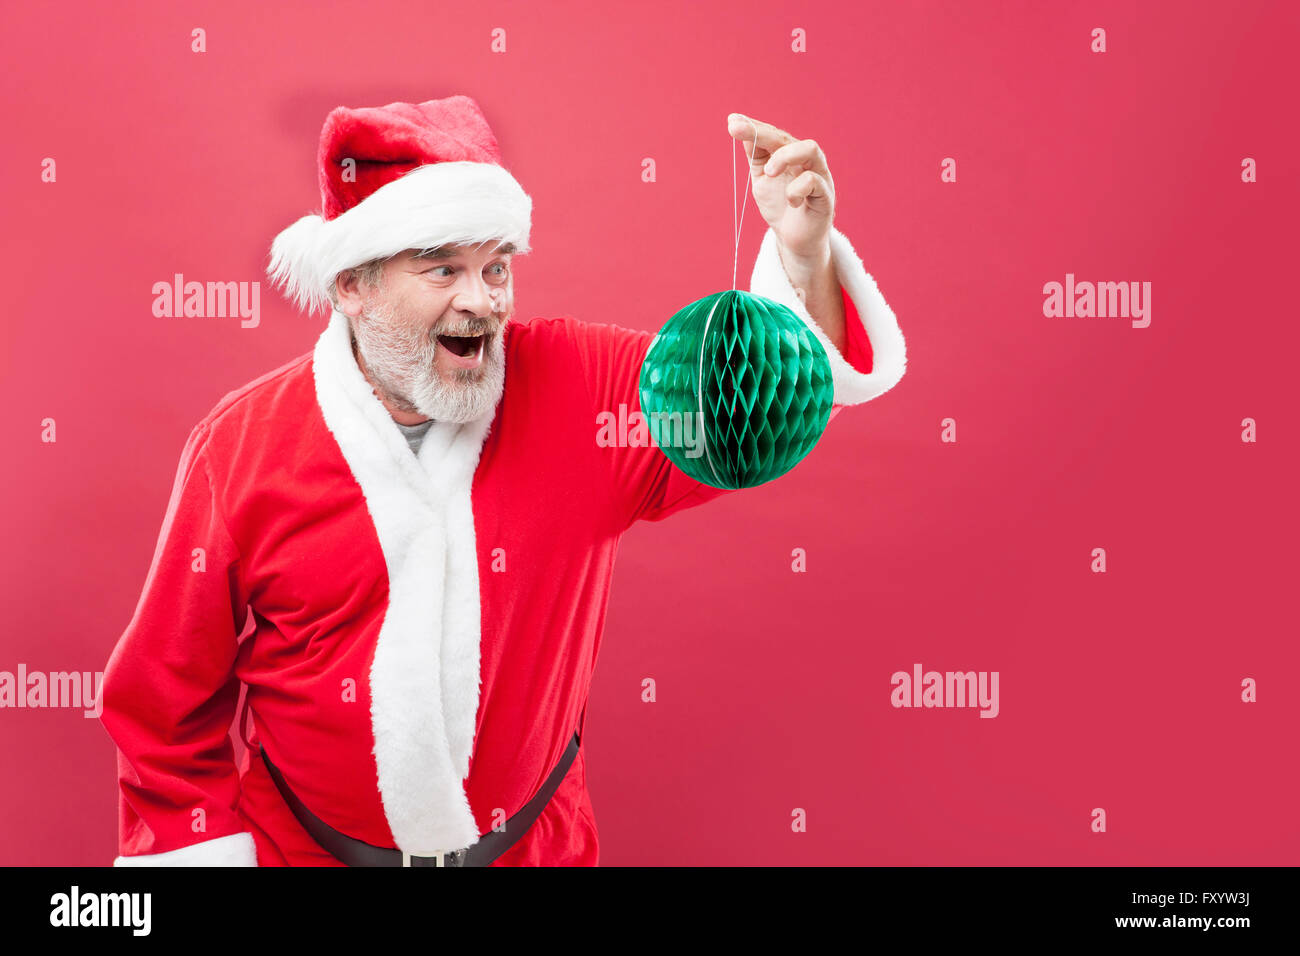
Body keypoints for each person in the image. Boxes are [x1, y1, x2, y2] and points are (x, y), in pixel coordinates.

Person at [99, 95, 907, 866]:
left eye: (495, 268)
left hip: (532, 852)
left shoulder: (584, 390)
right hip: (299, 856)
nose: (481, 301)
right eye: (442, 269)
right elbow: (164, 700)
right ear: (351, 285)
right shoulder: (240, 448)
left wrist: (801, 257)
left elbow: (755, 407)